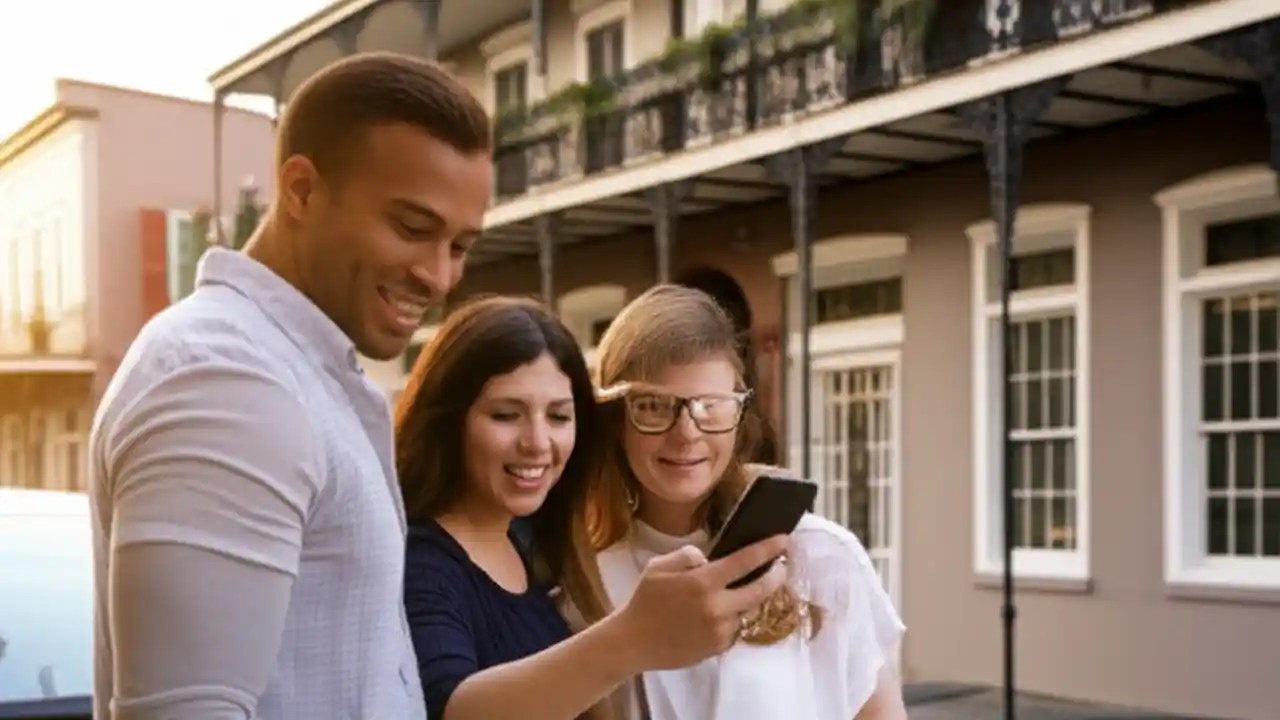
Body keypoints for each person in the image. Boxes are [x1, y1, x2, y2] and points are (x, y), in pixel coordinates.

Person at [87, 52, 493, 719]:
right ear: (301, 189)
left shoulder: (289, 369)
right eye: (413, 229)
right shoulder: (224, 378)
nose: (441, 276)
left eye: (460, 246)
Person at [396, 296, 792, 720]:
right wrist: (634, 638)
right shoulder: (420, 561)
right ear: (448, 421)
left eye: (559, 417)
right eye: (506, 415)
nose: (537, 442)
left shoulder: (538, 545)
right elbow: (448, 709)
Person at [569, 284, 909, 720]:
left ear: (739, 413)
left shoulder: (820, 554)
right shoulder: (584, 583)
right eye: (654, 406)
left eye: (712, 406)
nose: (687, 432)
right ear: (615, 419)